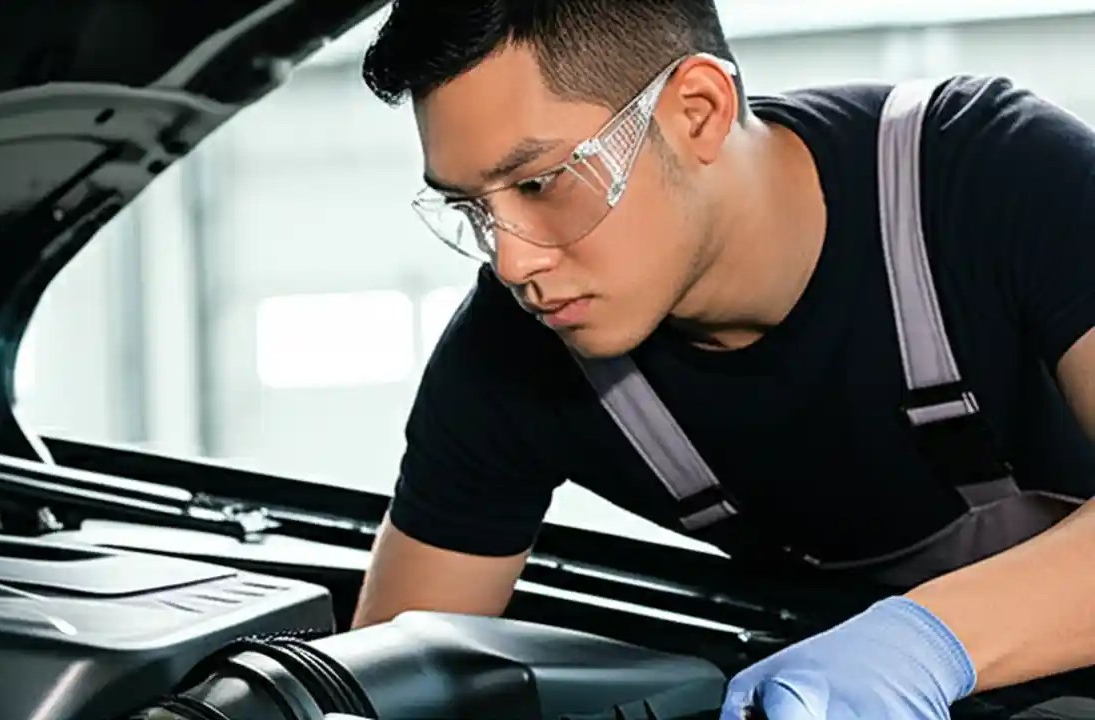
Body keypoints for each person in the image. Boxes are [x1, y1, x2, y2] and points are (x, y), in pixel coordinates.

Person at [348, 1, 1095, 718]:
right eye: (473, 207)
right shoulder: (509, 352)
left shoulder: (995, 176)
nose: (512, 262)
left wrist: (919, 649)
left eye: (541, 183)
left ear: (697, 111)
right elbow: (388, 682)